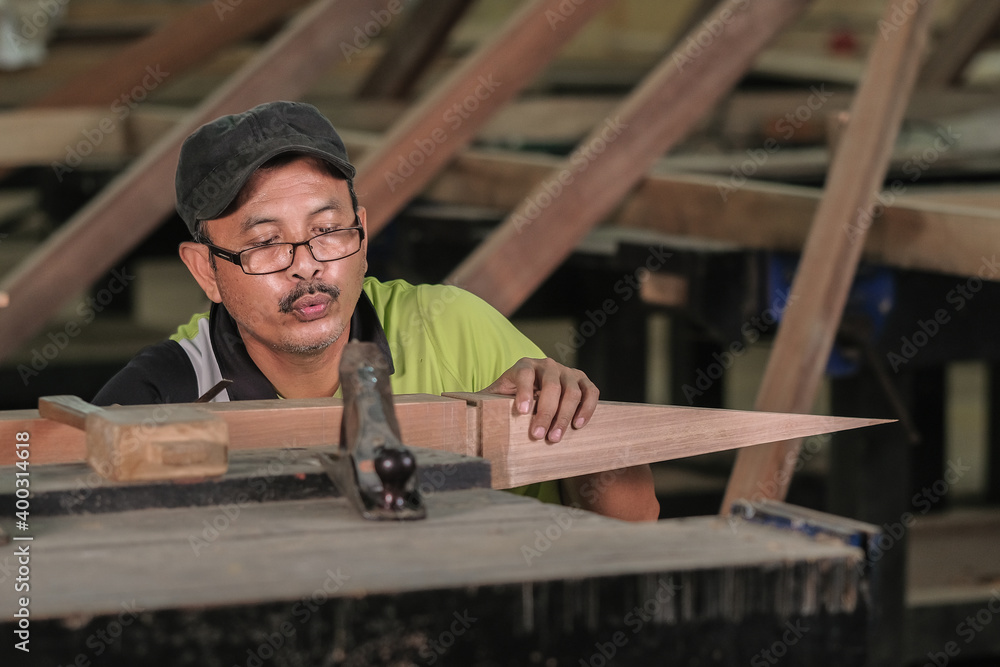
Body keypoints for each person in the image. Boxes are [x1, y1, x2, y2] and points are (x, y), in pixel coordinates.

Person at [94, 101, 658, 521]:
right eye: (266, 243)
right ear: (204, 270)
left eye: (328, 230)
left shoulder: (450, 326)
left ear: (361, 232)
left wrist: (580, 427)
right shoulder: (160, 398)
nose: (307, 266)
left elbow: (634, 528)